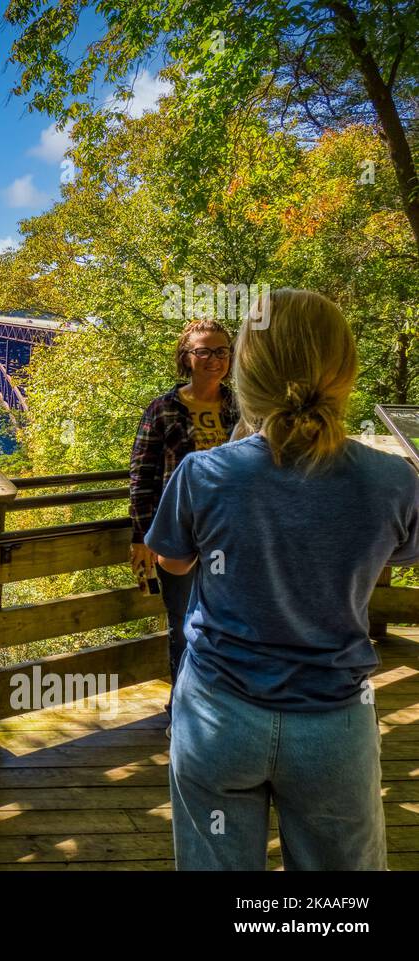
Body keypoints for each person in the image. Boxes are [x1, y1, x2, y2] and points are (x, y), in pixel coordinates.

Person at [146, 289, 419, 870]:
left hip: (218, 715)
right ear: (344, 369)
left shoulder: (204, 474)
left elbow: (173, 561)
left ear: (247, 369)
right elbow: (402, 553)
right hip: (332, 723)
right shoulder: (392, 480)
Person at [128, 318, 240, 729]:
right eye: (204, 351)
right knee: (183, 627)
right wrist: (143, 537)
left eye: (222, 350)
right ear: (186, 358)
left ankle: (224, 709)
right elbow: (142, 476)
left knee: (232, 625)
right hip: (181, 535)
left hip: (235, 535)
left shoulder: (242, 406)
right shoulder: (163, 409)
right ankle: (184, 711)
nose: (215, 359)